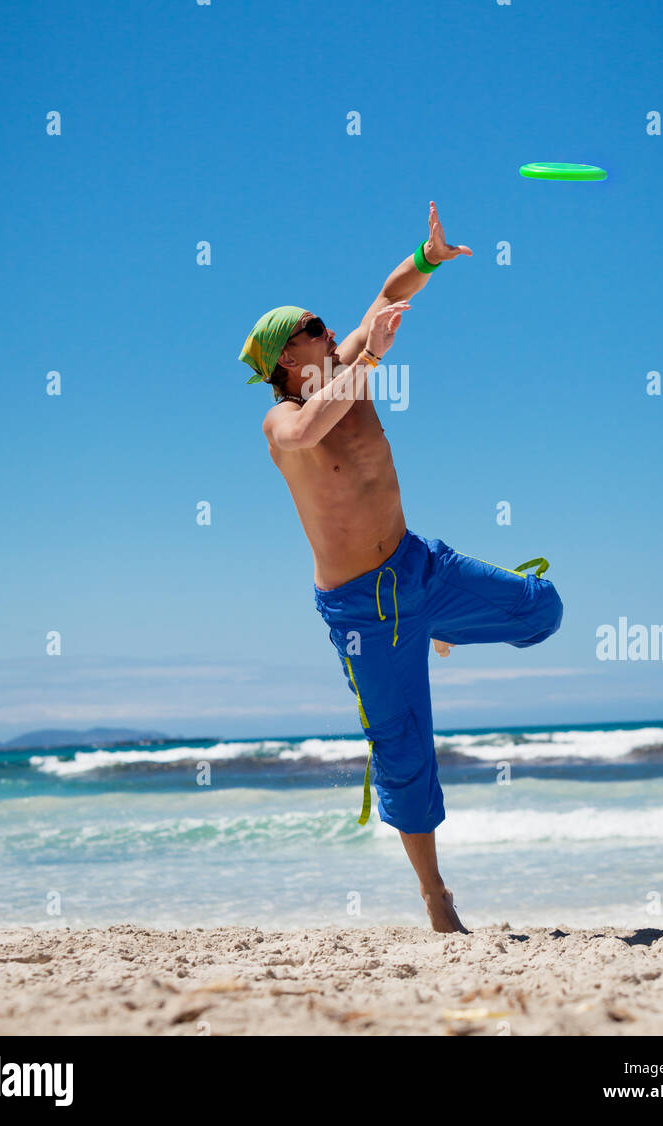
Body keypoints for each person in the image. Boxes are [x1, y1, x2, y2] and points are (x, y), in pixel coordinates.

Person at [238, 202, 563, 932]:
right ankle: (436, 898)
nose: (328, 331)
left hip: (421, 568)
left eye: (326, 324)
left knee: (543, 609)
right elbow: (311, 425)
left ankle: (445, 624)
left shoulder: (348, 360)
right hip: (362, 609)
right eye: (311, 330)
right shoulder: (281, 421)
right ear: (287, 359)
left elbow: (387, 298)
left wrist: (427, 256)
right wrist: (372, 359)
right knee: (404, 755)